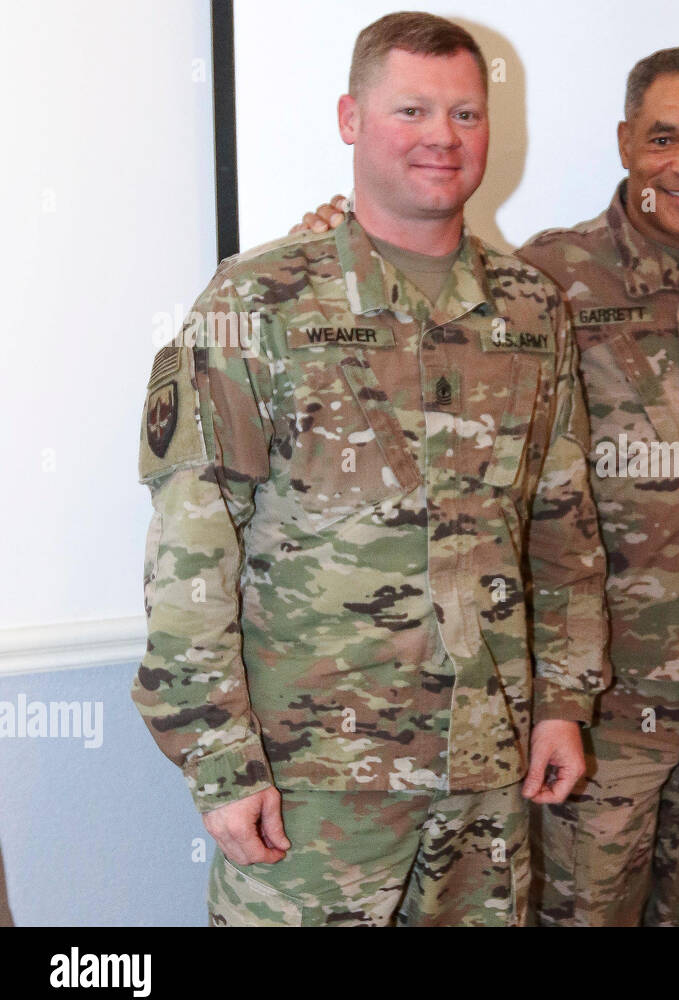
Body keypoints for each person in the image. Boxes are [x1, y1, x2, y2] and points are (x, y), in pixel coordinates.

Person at [305, 46, 679, 925]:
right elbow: (424, 342)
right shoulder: (546, 280)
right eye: (663, 137)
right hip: (599, 702)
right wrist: (333, 240)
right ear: (624, 141)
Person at [133, 11, 609, 927]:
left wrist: (564, 701)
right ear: (351, 119)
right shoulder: (257, 301)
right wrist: (219, 757)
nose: (443, 137)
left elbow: (563, 526)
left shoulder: (529, 309)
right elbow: (193, 546)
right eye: (412, 110)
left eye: (465, 114)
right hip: (311, 783)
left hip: (484, 768)